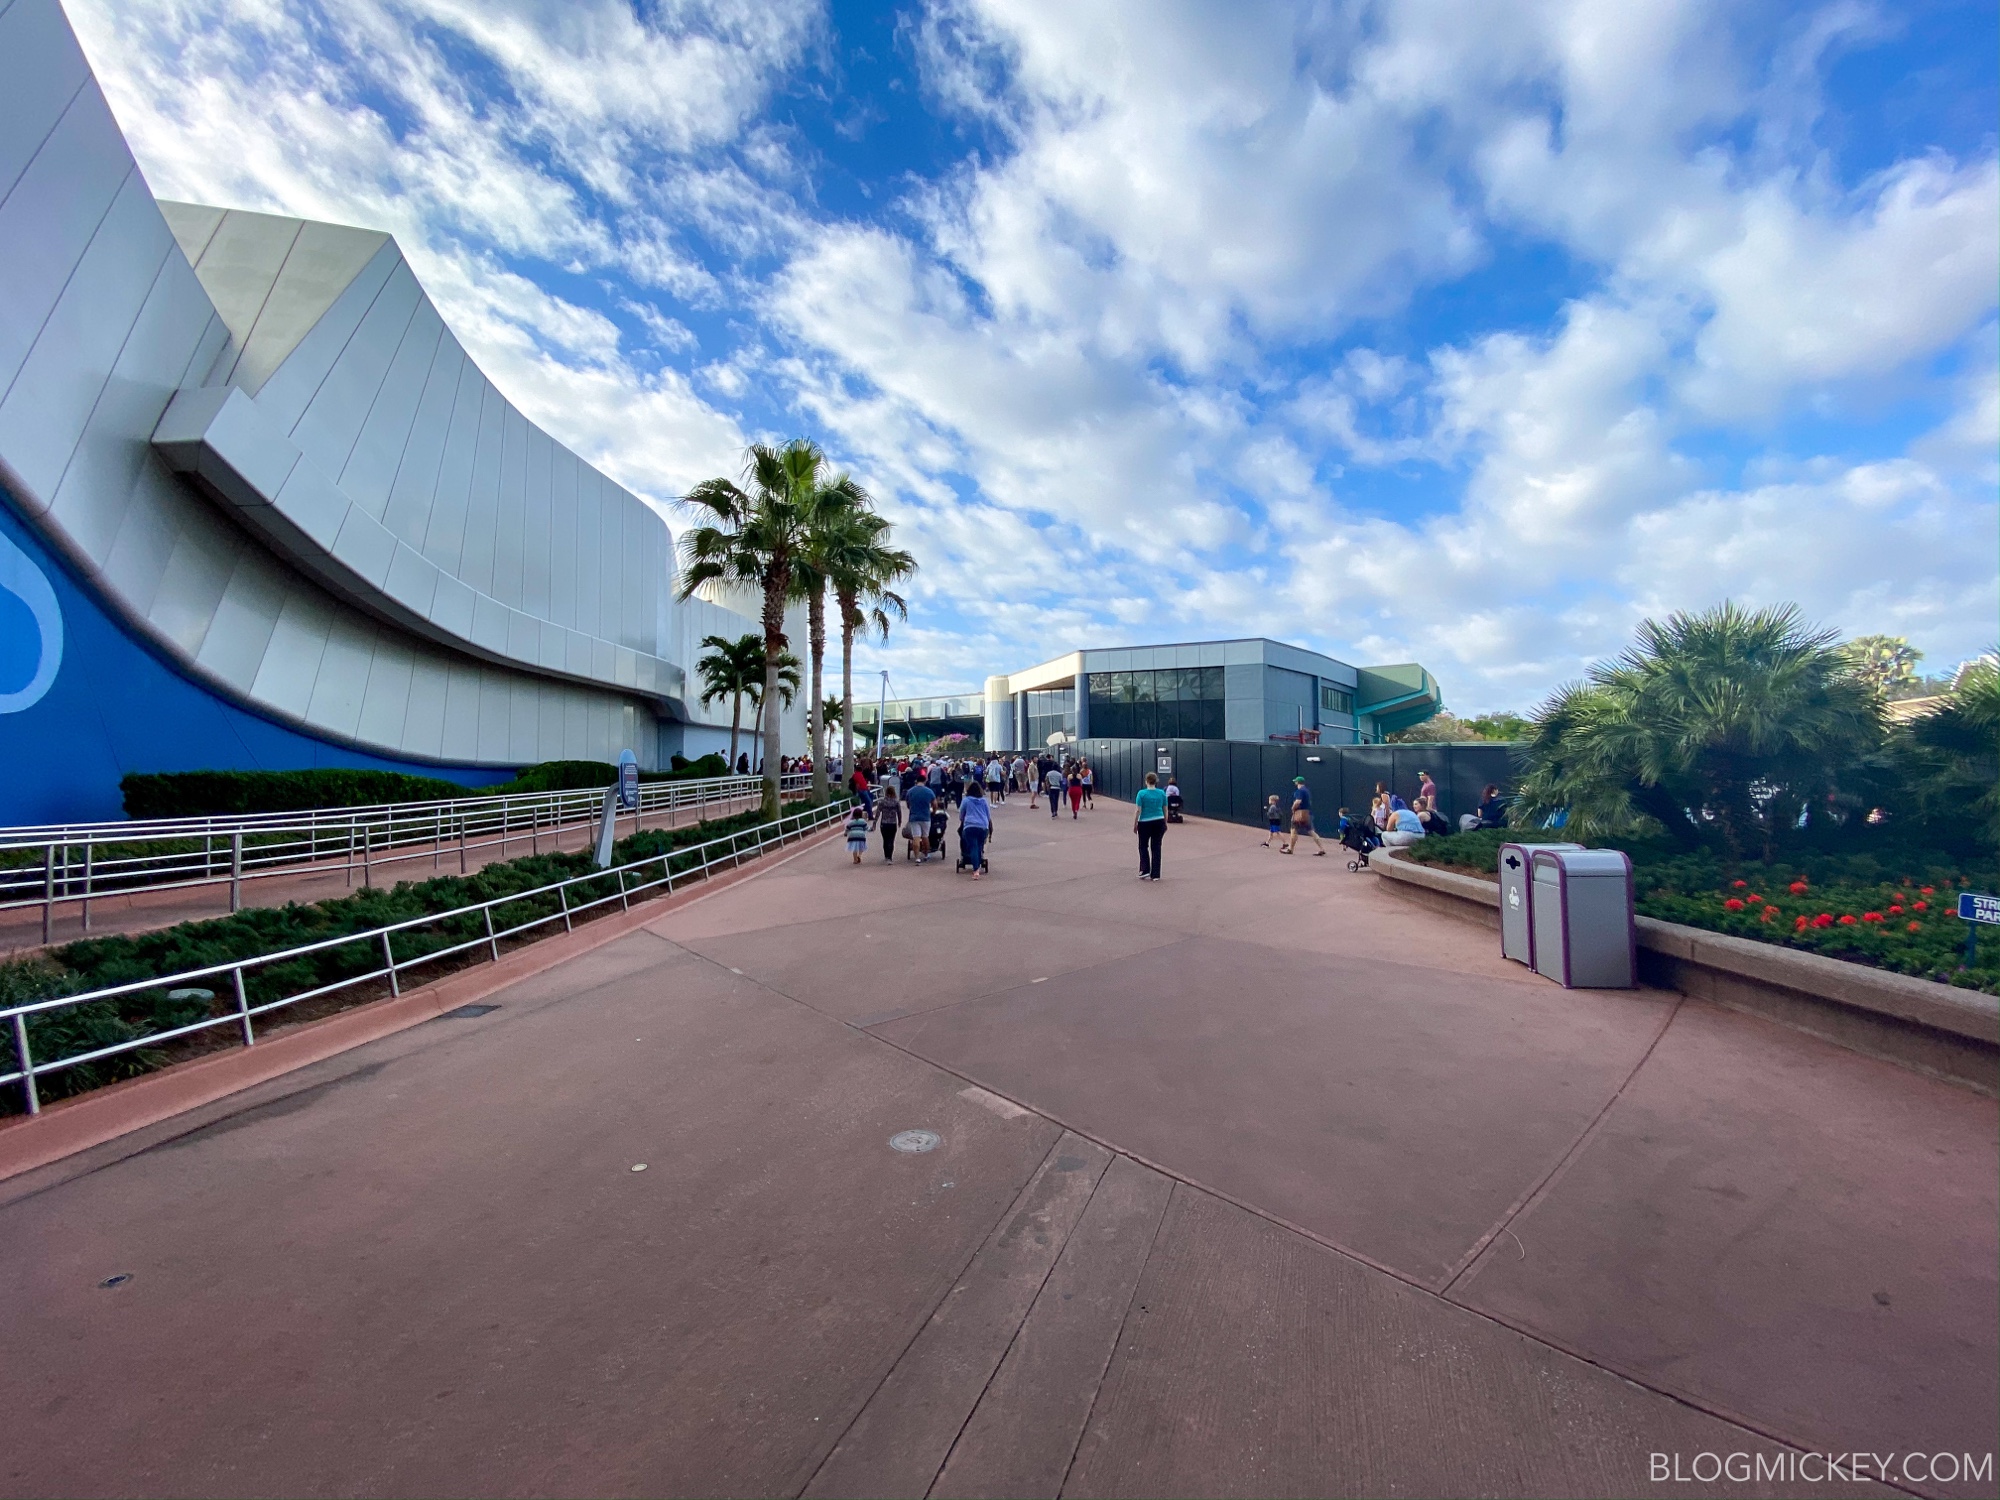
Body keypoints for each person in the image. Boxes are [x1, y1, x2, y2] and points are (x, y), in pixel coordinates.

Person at [1134, 771, 1168, 880]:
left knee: (1143, 846)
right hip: (1159, 821)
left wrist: (1135, 824)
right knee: (1156, 847)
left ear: (1146, 781)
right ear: (1156, 781)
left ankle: (1145, 870)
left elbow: (1138, 810)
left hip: (1144, 822)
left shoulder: (1141, 794)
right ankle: (1156, 874)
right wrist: (1165, 822)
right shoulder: (1162, 793)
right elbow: (1165, 809)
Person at [1282, 776, 1326, 856]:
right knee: (1311, 831)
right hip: (1307, 813)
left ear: (1297, 782)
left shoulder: (1299, 791)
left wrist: (1293, 808)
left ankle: (1290, 849)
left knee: (1293, 830)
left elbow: (1298, 801)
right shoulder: (1307, 790)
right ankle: (1322, 848)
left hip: (1299, 813)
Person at [959, 777, 992, 878]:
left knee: (973, 846)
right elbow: (988, 815)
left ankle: (976, 869)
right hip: (983, 826)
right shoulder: (984, 801)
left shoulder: (966, 800)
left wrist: (963, 820)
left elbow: (961, 815)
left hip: (970, 825)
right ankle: (979, 861)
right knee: (979, 846)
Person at [904, 777, 936, 862]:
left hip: (914, 817)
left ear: (916, 781)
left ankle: (917, 857)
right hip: (925, 817)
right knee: (925, 836)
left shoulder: (910, 791)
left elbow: (908, 804)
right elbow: (934, 804)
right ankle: (926, 854)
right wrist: (933, 812)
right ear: (925, 781)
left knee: (916, 837)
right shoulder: (929, 791)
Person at [875, 782, 901, 862]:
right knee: (891, 840)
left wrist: (874, 823)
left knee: (885, 840)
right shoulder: (896, 802)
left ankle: (886, 855)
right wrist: (900, 821)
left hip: (884, 823)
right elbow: (899, 812)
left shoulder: (882, 802)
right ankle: (890, 857)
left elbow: (878, 813)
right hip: (893, 823)